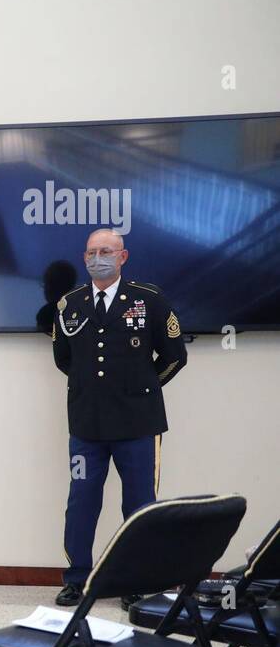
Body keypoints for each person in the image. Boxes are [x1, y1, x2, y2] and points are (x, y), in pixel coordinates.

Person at [52, 228, 187, 608]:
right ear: (84, 258)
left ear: (123, 257)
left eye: (107, 250)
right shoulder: (69, 305)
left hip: (138, 425)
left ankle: (138, 581)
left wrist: (141, 388)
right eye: (92, 252)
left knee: (140, 505)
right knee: (81, 501)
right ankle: (77, 580)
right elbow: (65, 359)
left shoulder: (150, 300)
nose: (99, 257)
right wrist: (95, 391)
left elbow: (175, 355)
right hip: (86, 425)